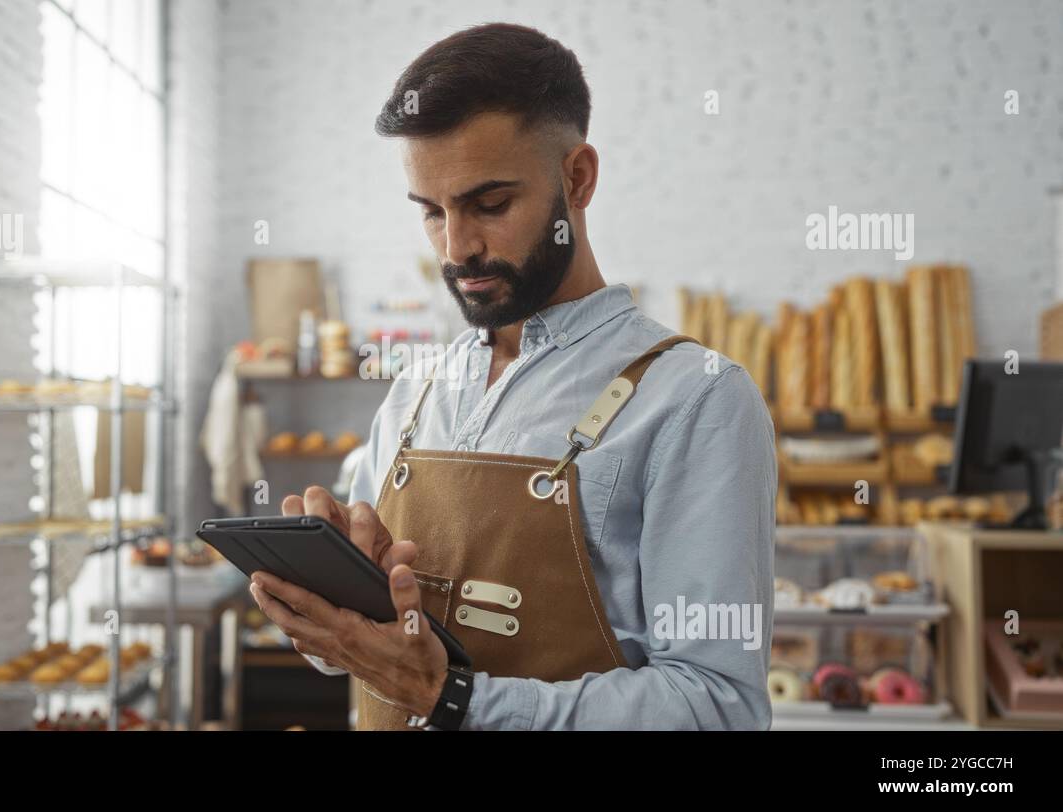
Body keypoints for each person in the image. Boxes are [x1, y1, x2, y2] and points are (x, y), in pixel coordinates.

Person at [247, 22, 775, 730]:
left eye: (489, 205)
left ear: (578, 179)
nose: (458, 247)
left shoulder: (696, 398)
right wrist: (338, 610)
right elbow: (373, 657)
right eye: (432, 213)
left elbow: (720, 705)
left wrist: (458, 700)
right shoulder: (416, 392)